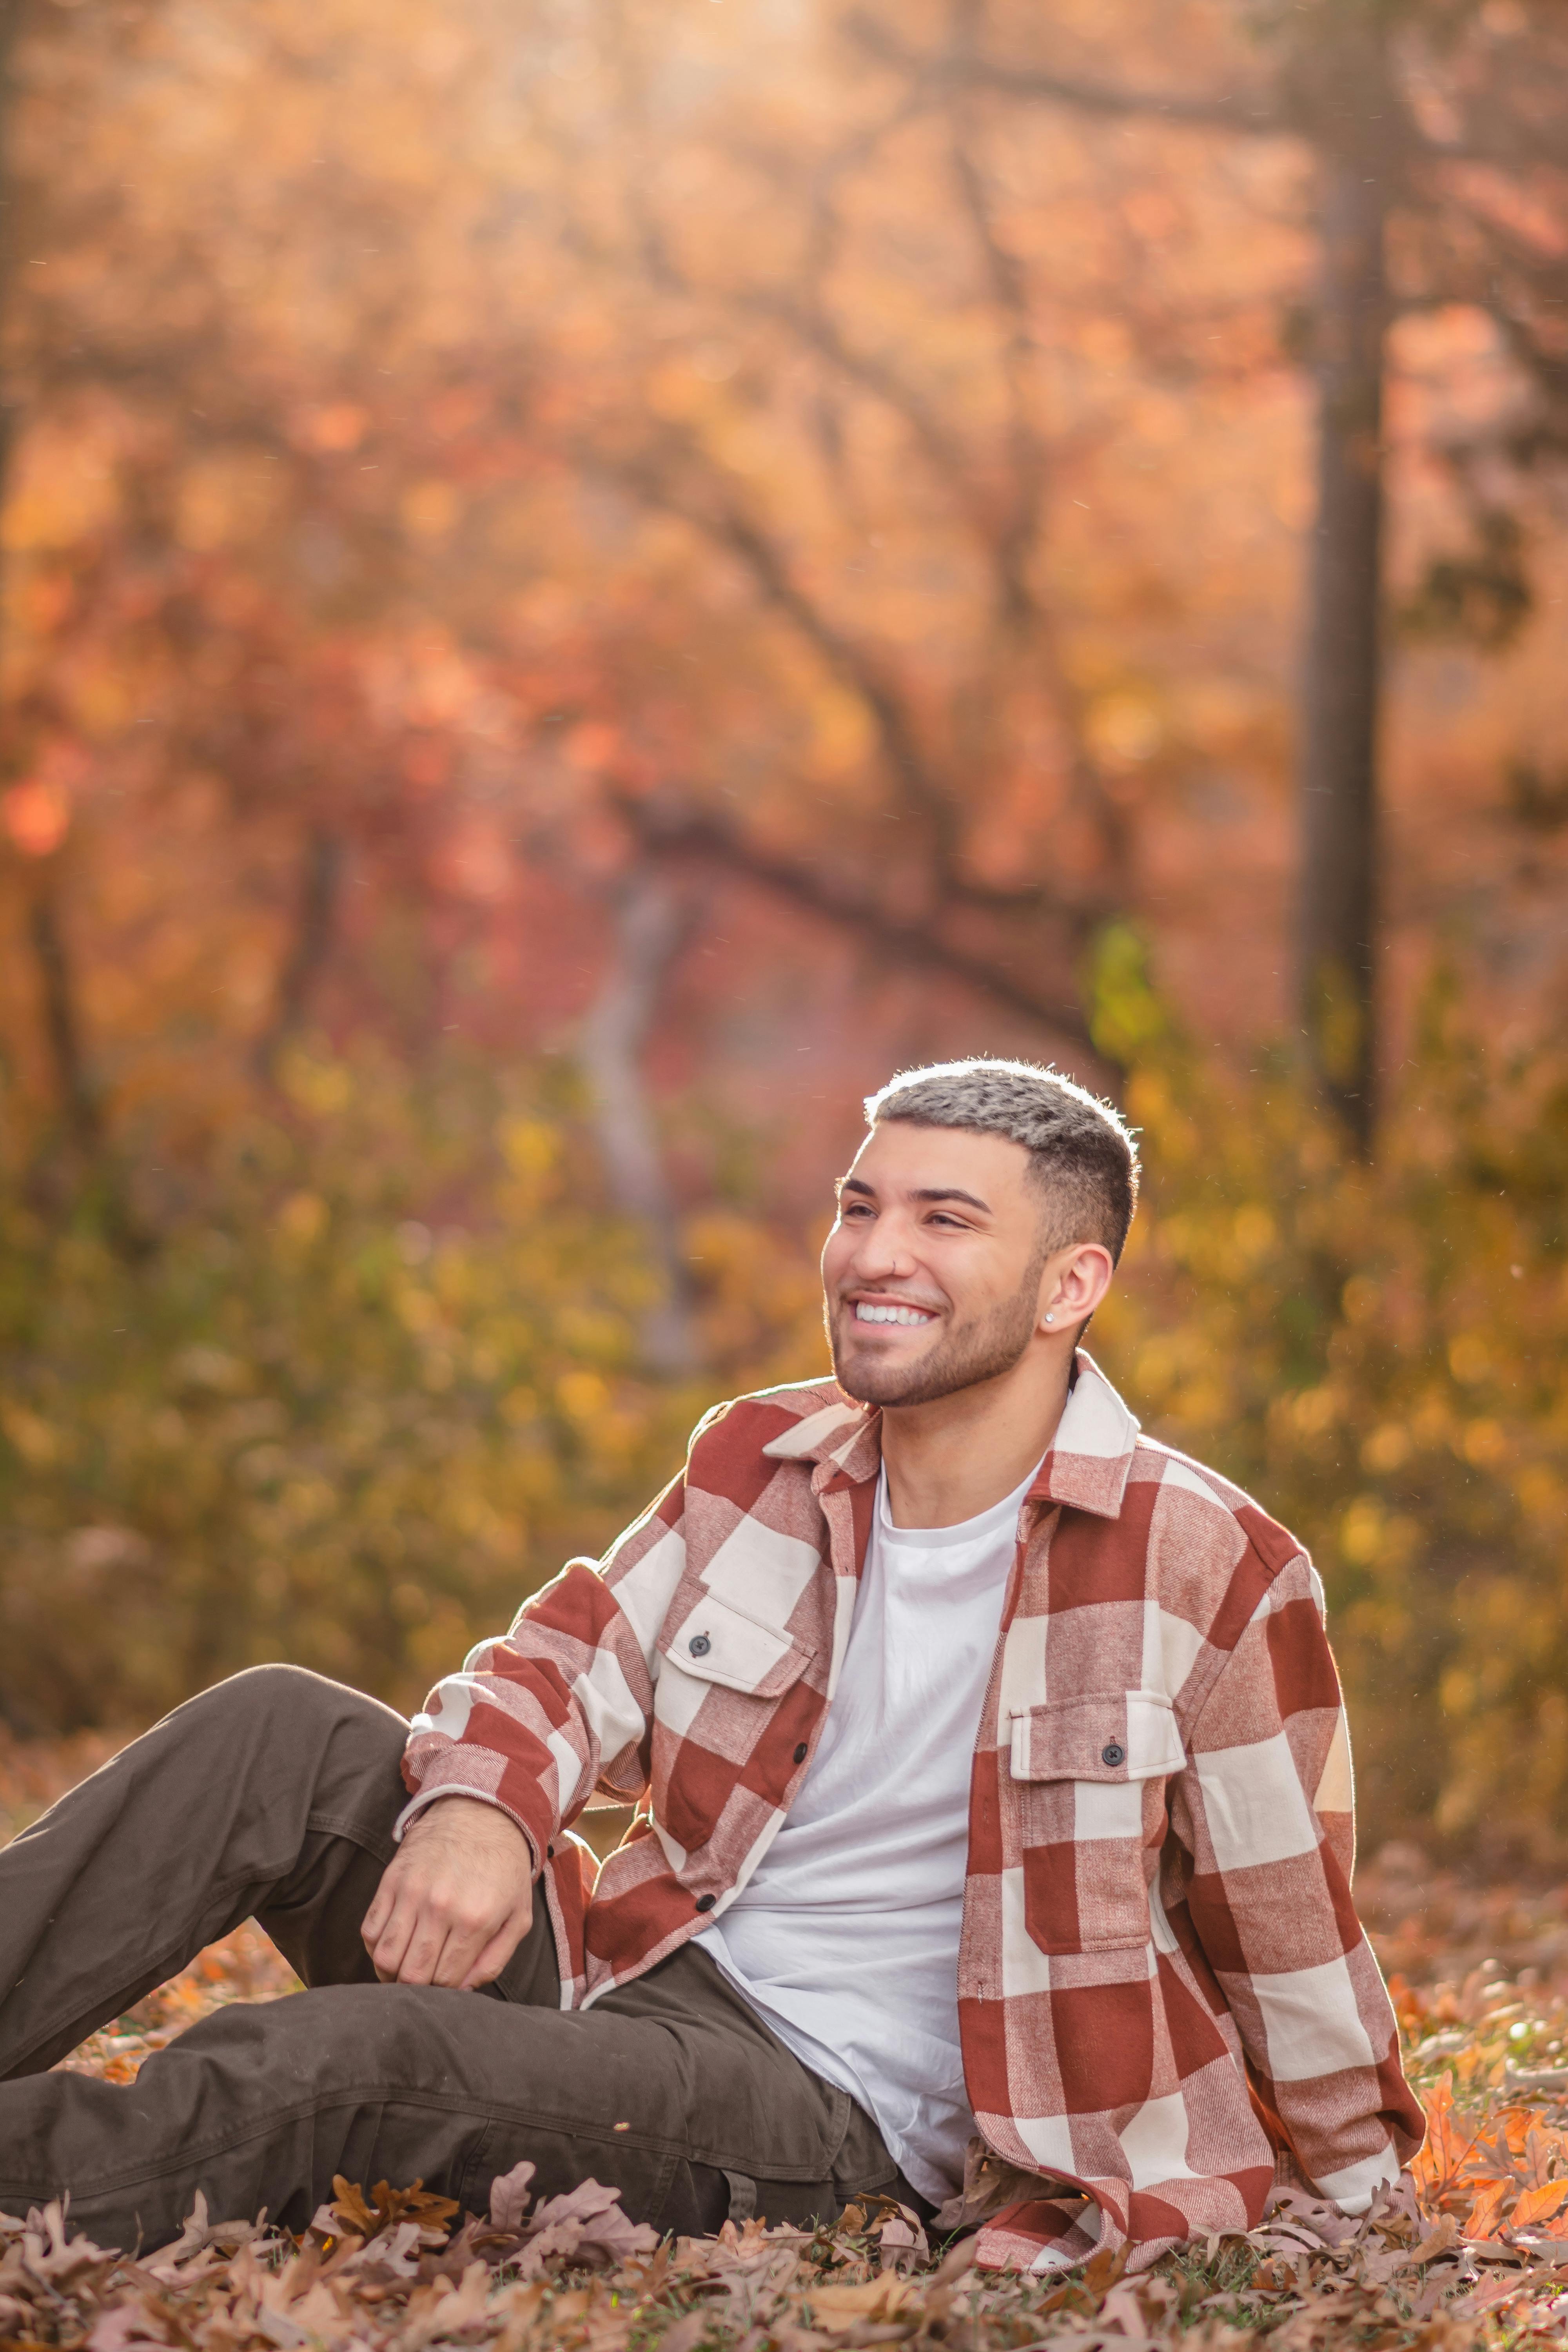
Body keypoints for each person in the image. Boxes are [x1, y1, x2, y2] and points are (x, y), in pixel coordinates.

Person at [0, 1058, 1422, 2273]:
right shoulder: (765, 1460)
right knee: (276, 1731)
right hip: (635, 1974)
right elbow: (567, 1657)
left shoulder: (1205, 1562)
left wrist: (1363, 2202)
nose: (875, 1255)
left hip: (821, 2117)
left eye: (945, 1220)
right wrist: (485, 1805)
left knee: (342, 2066)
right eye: (860, 1205)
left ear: (1071, 1284)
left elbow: (1284, 1922)